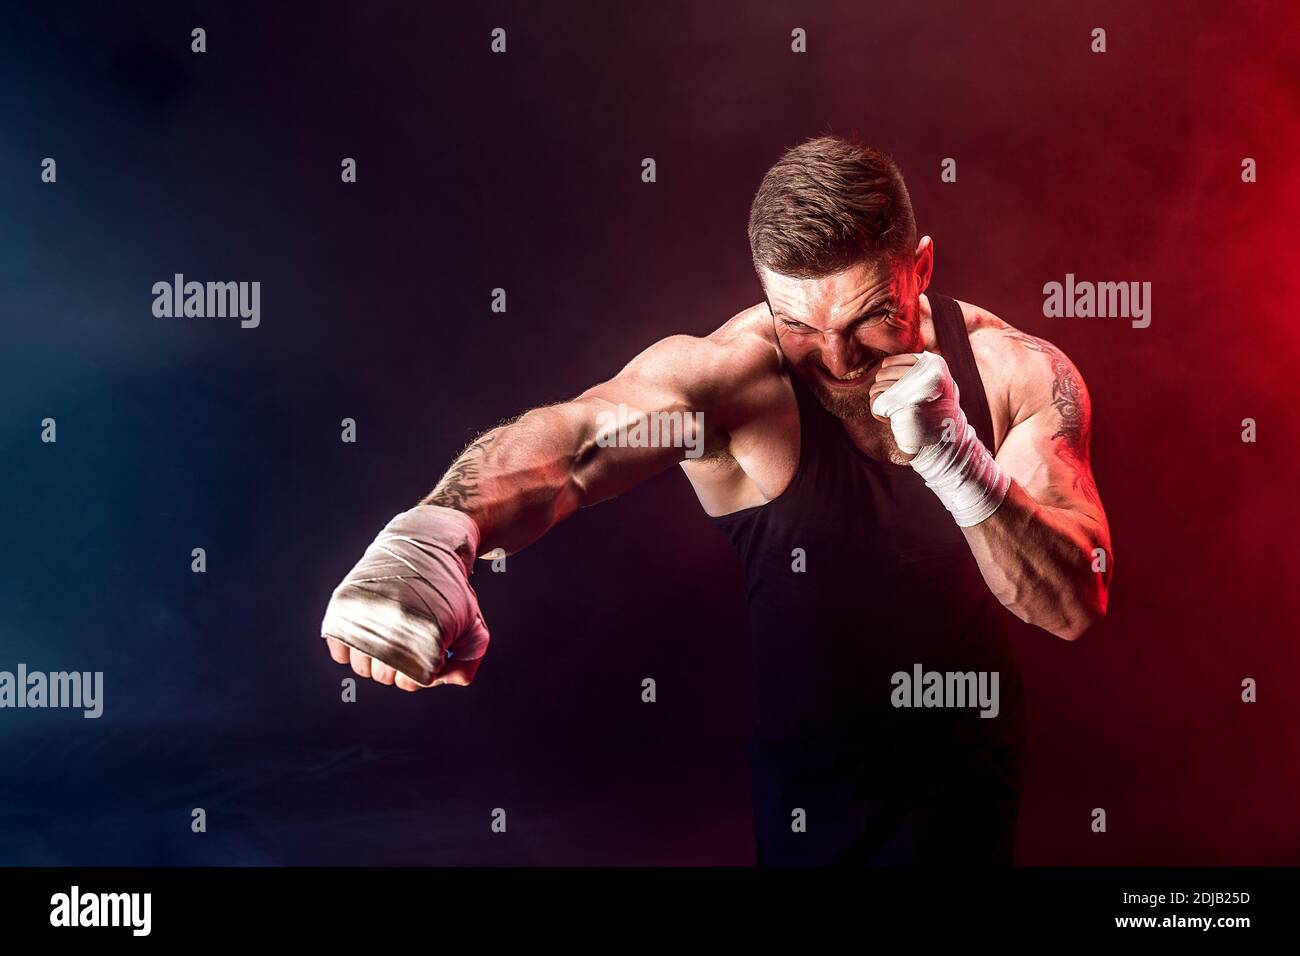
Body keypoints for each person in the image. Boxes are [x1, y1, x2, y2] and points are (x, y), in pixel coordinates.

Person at [320, 135, 1112, 865]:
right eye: (799, 322)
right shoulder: (737, 380)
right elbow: (580, 442)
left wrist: (955, 458)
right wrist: (439, 530)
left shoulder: (1014, 374)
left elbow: (1072, 604)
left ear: (922, 268)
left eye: (871, 317)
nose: (835, 358)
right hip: (809, 780)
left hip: (966, 771)